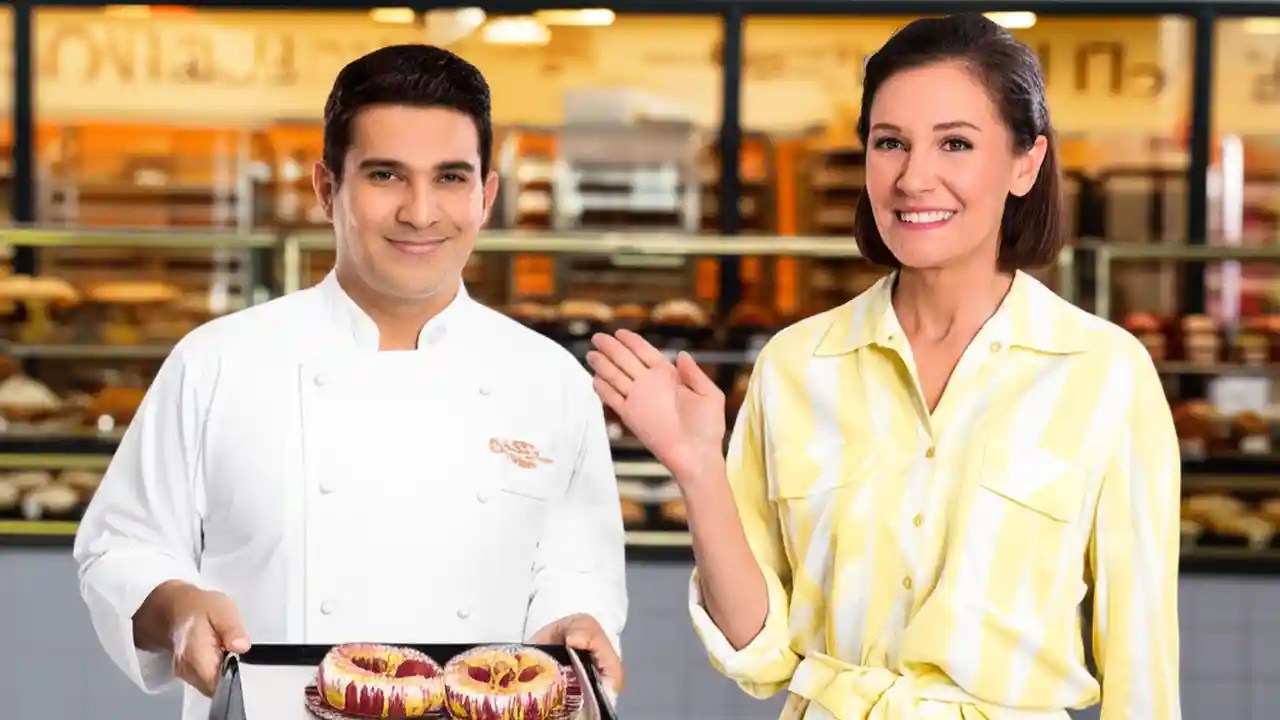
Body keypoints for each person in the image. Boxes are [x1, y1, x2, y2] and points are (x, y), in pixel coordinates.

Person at [588, 13, 1179, 720]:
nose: (913, 178)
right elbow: (759, 651)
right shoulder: (796, 364)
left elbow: (1140, 667)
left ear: (1026, 162)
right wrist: (697, 468)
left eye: (955, 143)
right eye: (888, 143)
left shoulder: (1104, 372)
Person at [73, 44, 627, 720]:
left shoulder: (549, 379)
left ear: (487, 196)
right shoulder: (218, 362)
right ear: (327, 189)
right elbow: (121, 546)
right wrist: (177, 611)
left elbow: (578, 566)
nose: (421, 212)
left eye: (450, 177)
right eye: (386, 175)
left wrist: (577, 622)